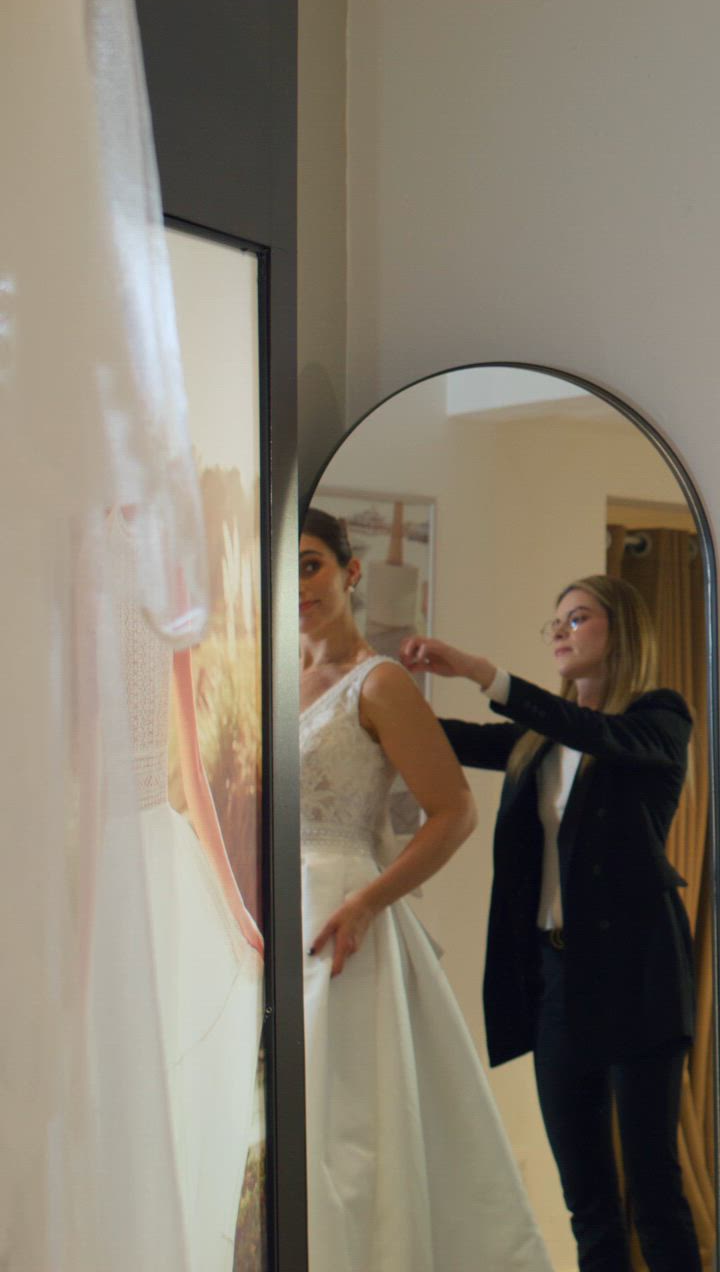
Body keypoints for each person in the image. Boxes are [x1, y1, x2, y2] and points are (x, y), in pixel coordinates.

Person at [401, 575, 701, 1272]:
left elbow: (594, 732)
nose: (561, 631)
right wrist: (362, 699)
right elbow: (452, 741)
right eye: (556, 622)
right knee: (587, 1199)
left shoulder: (659, 719)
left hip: (642, 980)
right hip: (559, 981)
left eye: (578, 618)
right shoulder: (538, 744)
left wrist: (483, 672)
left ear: (620, 632)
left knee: (654, 1193)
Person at [299, 507, 554, 1272]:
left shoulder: (378, 684)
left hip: (345, 907)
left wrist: (370, 901)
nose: (296, 586)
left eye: (310, 564)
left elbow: (455, 811)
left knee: (346, 1131)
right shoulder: (264, 678)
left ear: (350, 571)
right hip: (271, 913)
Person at [110, 504, 264, 1272]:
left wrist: (231, 897)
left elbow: (188, 754)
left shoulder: (156, 546)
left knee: (150, 1078)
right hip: (77, 842)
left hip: (145, 841)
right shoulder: (49, 538)